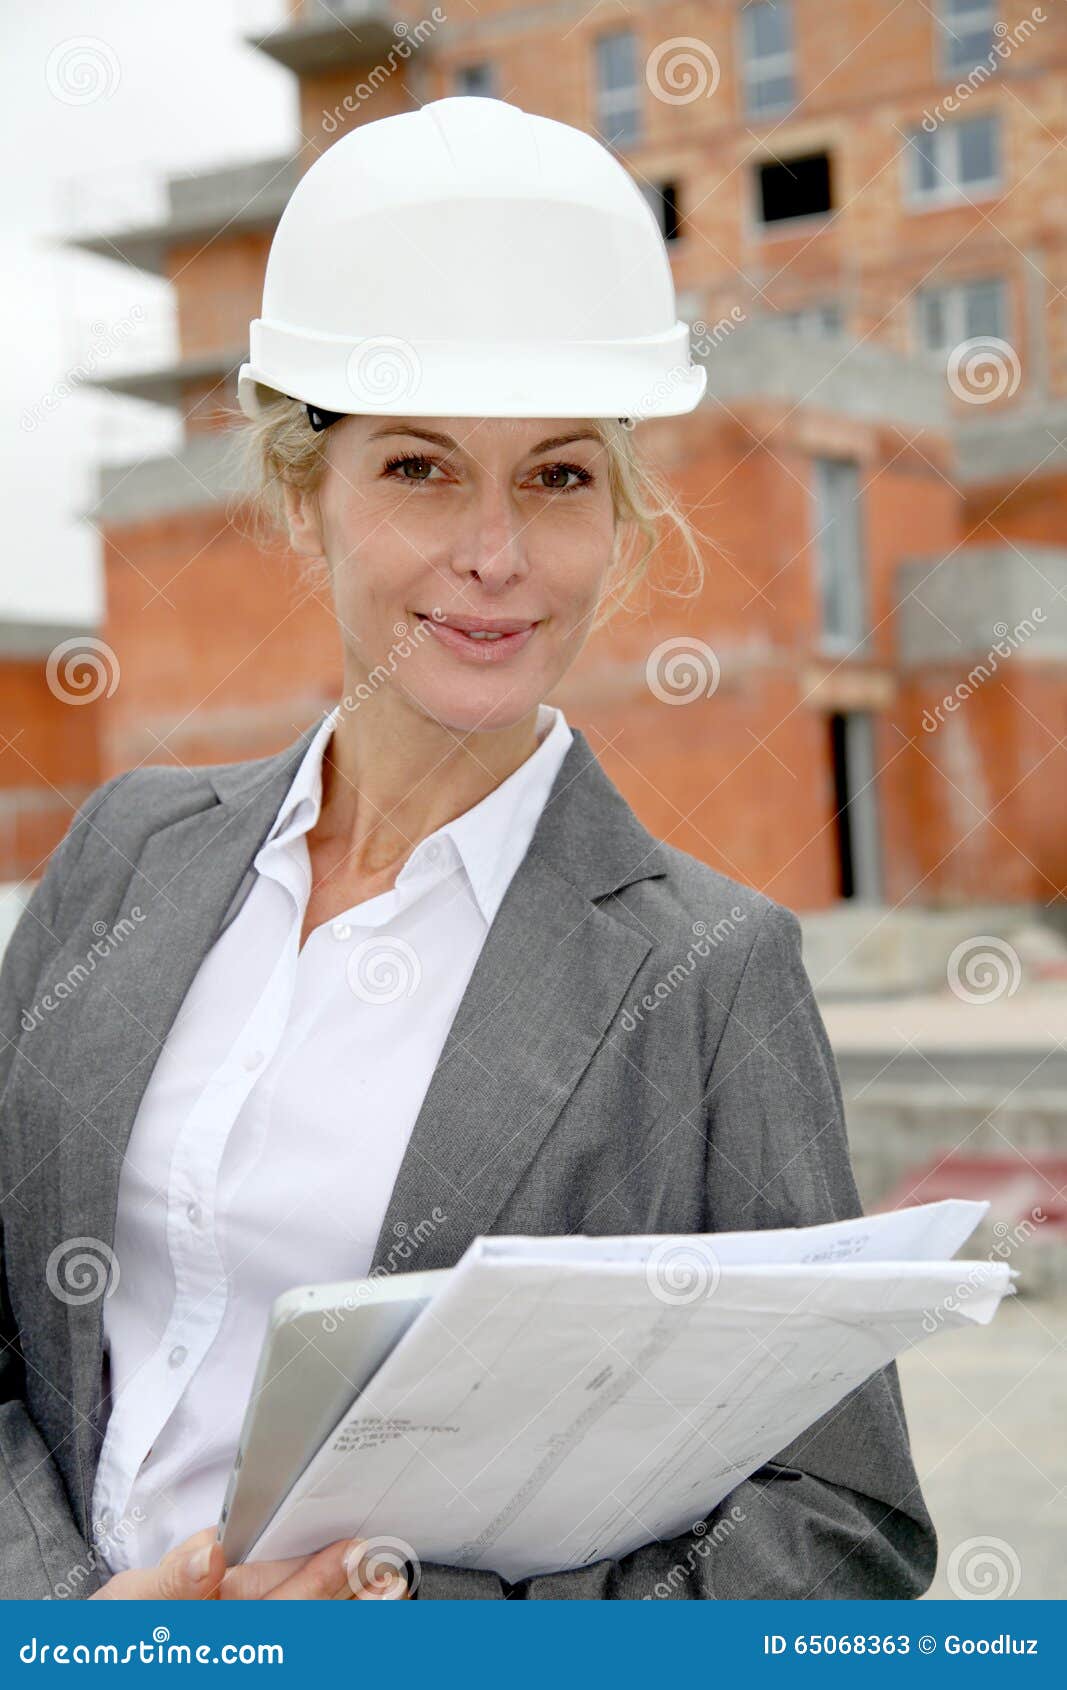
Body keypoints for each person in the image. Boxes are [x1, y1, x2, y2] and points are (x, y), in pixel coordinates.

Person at [0, 96, 936, 1600]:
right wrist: (80, 1619)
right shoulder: (123, 856)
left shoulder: (709, 976)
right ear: (306, 499)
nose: (494, 554)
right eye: (421, 469)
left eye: (557, 477)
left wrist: (414, 1618)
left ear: (622, 522)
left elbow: (841, 1536)